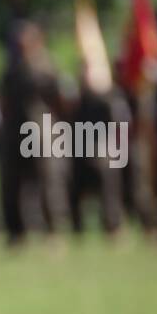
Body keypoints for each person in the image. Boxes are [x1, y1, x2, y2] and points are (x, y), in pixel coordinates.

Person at [0, 21, 68, 244]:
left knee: (49, 182)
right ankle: (16, 234)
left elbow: (62, 101)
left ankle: (54, 231)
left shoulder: (48, 68)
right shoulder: (13, 68)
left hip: (42, 131)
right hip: (15, 131)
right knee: (13, 182)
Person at [69, 54, 129, 236]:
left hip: (103, 149)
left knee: (109, 191)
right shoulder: (78, 98)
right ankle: (77, 228)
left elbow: (119, 121)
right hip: (79, 148)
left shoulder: (110, 97)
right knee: (75, 189)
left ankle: (113, 227)